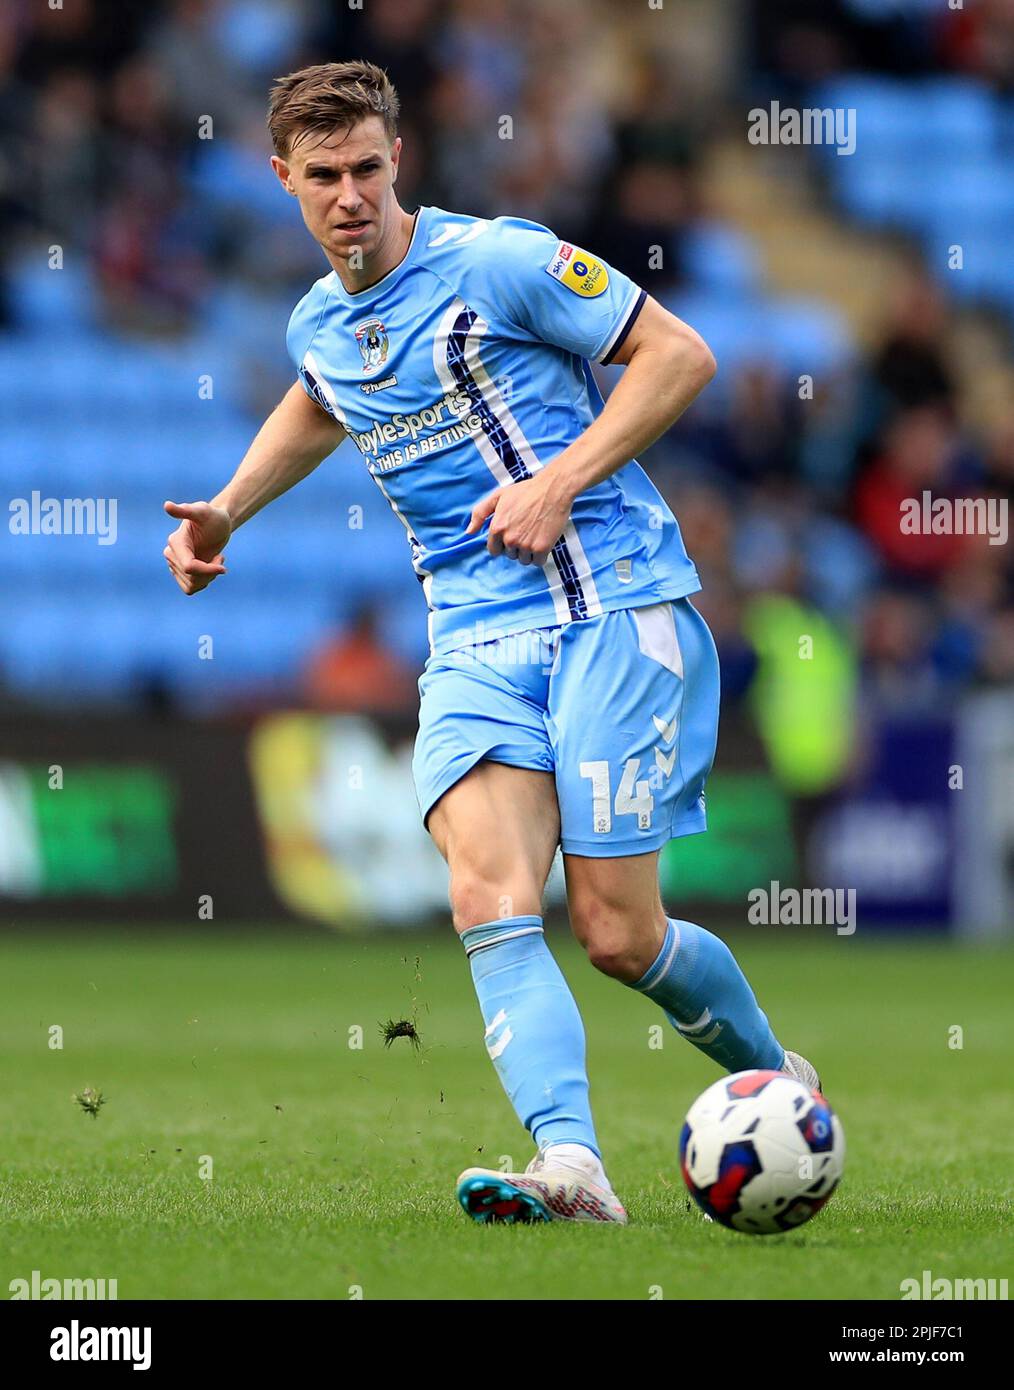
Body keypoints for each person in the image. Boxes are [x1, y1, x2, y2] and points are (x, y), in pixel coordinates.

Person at [163, 59, 820, 1226]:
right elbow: (322, 395)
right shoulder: (321, 316)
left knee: (618, 933)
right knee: (487, 896)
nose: (351, 194)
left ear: (397, 158)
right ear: (284, 179)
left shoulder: (499, 262)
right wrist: (225, 508)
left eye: (368, 167)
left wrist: (560, 481)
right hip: (473, 640)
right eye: (324, 176)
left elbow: (680, 354)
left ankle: (782, 1085)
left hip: (610, 603)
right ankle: (571, 1168)